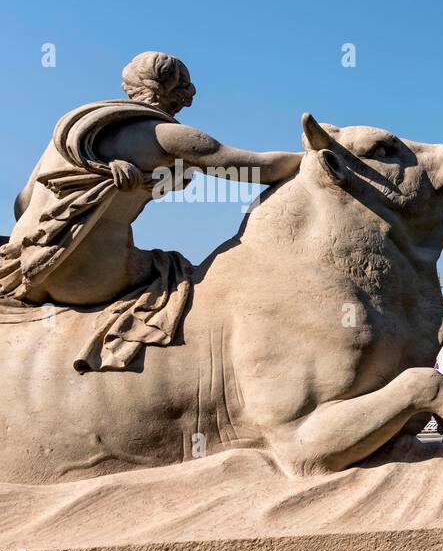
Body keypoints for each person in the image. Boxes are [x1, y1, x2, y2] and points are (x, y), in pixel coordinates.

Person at [2, 52, 301, 370]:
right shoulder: (167, 135)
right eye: (186, 85)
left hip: (19, 269)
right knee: (175, 272)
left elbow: (23, 202)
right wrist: (322, 154)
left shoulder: (77, 127)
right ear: (177, 89)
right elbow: (258, 168)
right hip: (87, 278)